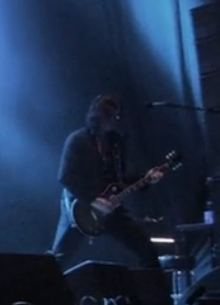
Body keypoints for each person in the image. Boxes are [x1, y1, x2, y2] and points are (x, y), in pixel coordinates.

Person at [50, 95, 164, 270]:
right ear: (97, 115)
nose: (114, 120)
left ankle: (152, 286)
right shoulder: (78, 140)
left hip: (110, 208)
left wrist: (147, 179)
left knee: (146, 249)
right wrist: (92, 199)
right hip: (79, 208)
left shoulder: (116, 142)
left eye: (116, 115)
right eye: (109, 115)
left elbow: (123, 178)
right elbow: (65, 177)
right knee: (58, 258)